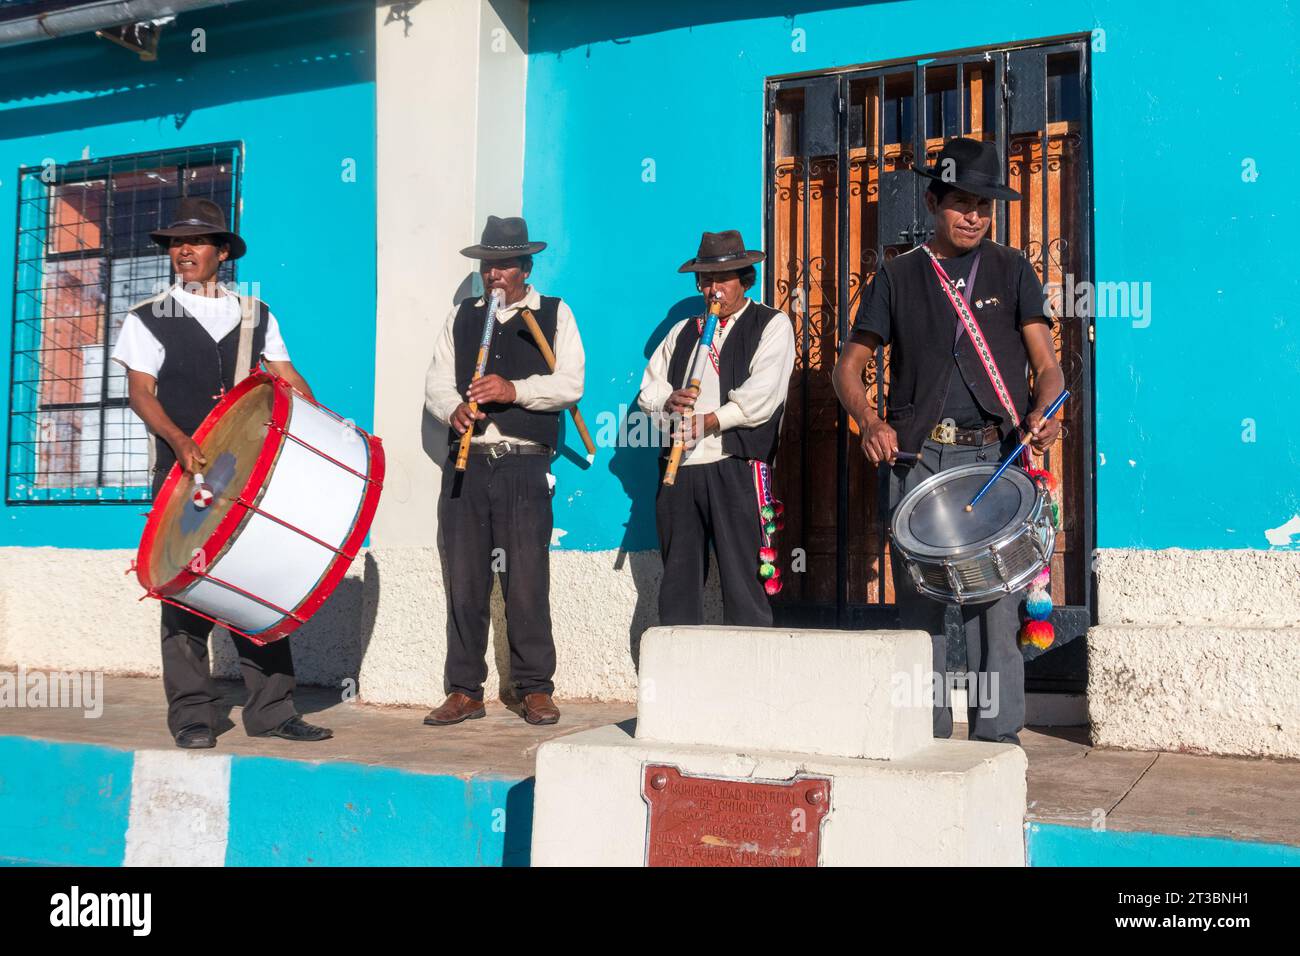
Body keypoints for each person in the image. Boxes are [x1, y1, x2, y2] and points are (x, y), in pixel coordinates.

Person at [832, 137, 1064, 744]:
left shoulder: (1014, 270)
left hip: (996, 453)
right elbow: (846, 367)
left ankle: (998, 738)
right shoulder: (899, 275)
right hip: (920, 460)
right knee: (922, 604)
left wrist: (1046, 410)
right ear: (934, 201)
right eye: (962, 203)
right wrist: (871, 422)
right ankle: (927, 736)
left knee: (997, 600)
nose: (975, 216)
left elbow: (1047, 363)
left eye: (984, 205)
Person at [113, 196, 331, 749]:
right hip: (180, 471)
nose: (183, 250)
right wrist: (181, 441)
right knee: (184, 594)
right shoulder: (145, 318)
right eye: (174, 243)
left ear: (221, 252)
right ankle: (192, 715)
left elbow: (286, 376)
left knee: (254, 581)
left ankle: (273, 710)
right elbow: (141, 394)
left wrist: (323, 430)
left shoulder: (256, 314)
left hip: (247, 472)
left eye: (196, 241)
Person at [423, 216, 585, 727]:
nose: (494, 274)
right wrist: (453, 409)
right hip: (467, 466)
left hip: (523, 463)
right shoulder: (462, 317)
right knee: (466, 580)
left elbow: (570, 385)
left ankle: (534, 688)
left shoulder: (555, 314)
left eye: (505, 265)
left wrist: (513, 390)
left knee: (526, 581)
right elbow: (437, 384)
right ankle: (465, 690)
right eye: (488, 265)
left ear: (525, 267)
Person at [638, 230, 796, 627]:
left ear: (745, 279)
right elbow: (649, 389)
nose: (713, 289)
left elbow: (763, 395)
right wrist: (666, 401)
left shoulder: (771, 325)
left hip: (736, 464)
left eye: (722, 278)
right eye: (705, 279)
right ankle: (677, 675)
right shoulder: (682, 333)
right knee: (679, 579)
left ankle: (748, 677)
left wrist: (710, 421)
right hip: (681, 470)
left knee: (744, 576)